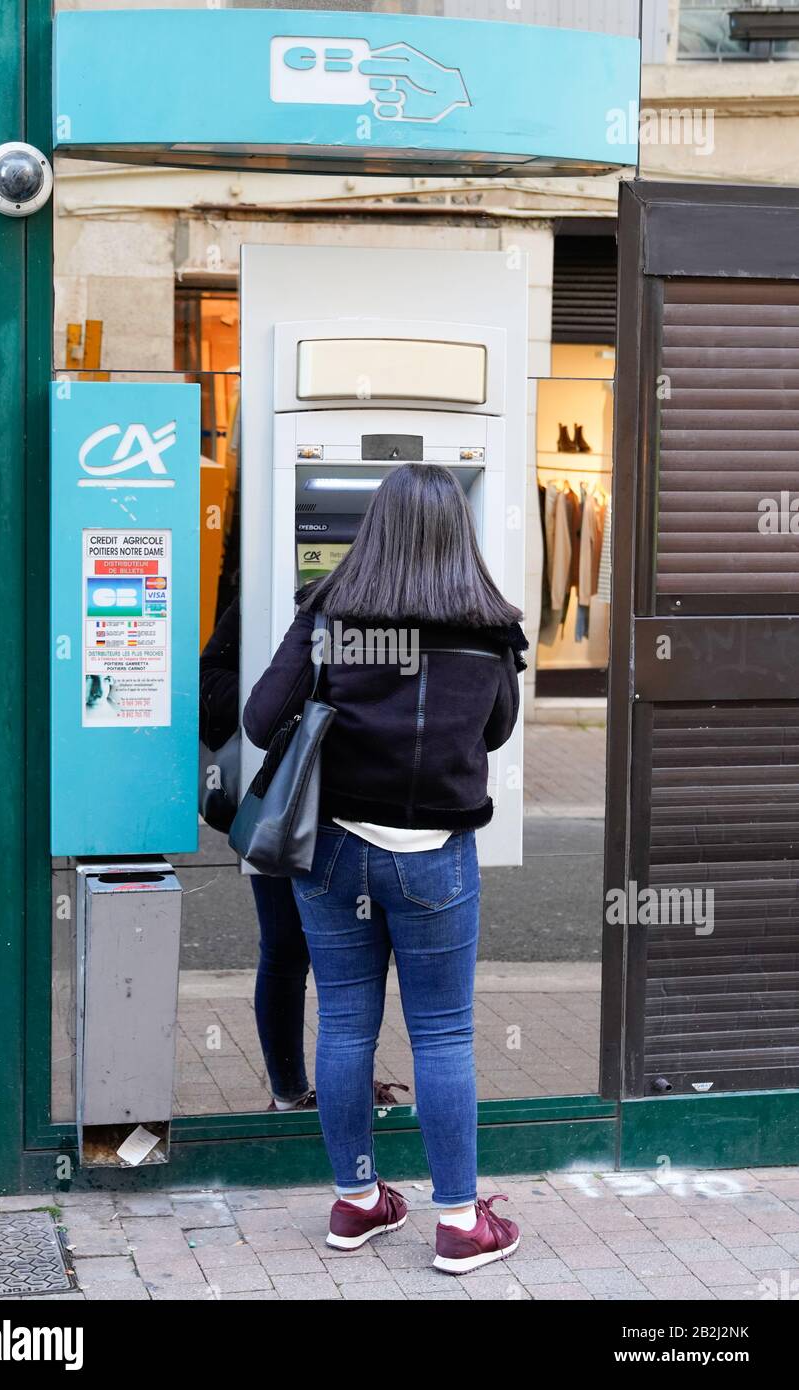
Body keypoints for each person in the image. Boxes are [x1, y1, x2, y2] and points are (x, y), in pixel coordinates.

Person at [242, 463, 528, 1275]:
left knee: (343, 1024)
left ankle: (357, 1201)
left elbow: (261, 721)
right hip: (436, 857)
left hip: (332, 850)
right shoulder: (492, 627)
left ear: (374, 528)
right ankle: (460, 1221)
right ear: (458, 532)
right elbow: (495, 732)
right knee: (442, 1032)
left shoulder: (329, 613)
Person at [201, 595, 411, 1113]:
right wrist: (287, 691)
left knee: (362, 955)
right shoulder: (269, 590)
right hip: (288, 800)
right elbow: (210, 681)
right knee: (285, 947)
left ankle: (345, 1087)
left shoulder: (400, 594)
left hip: (364, 802)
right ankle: (289, 1092)